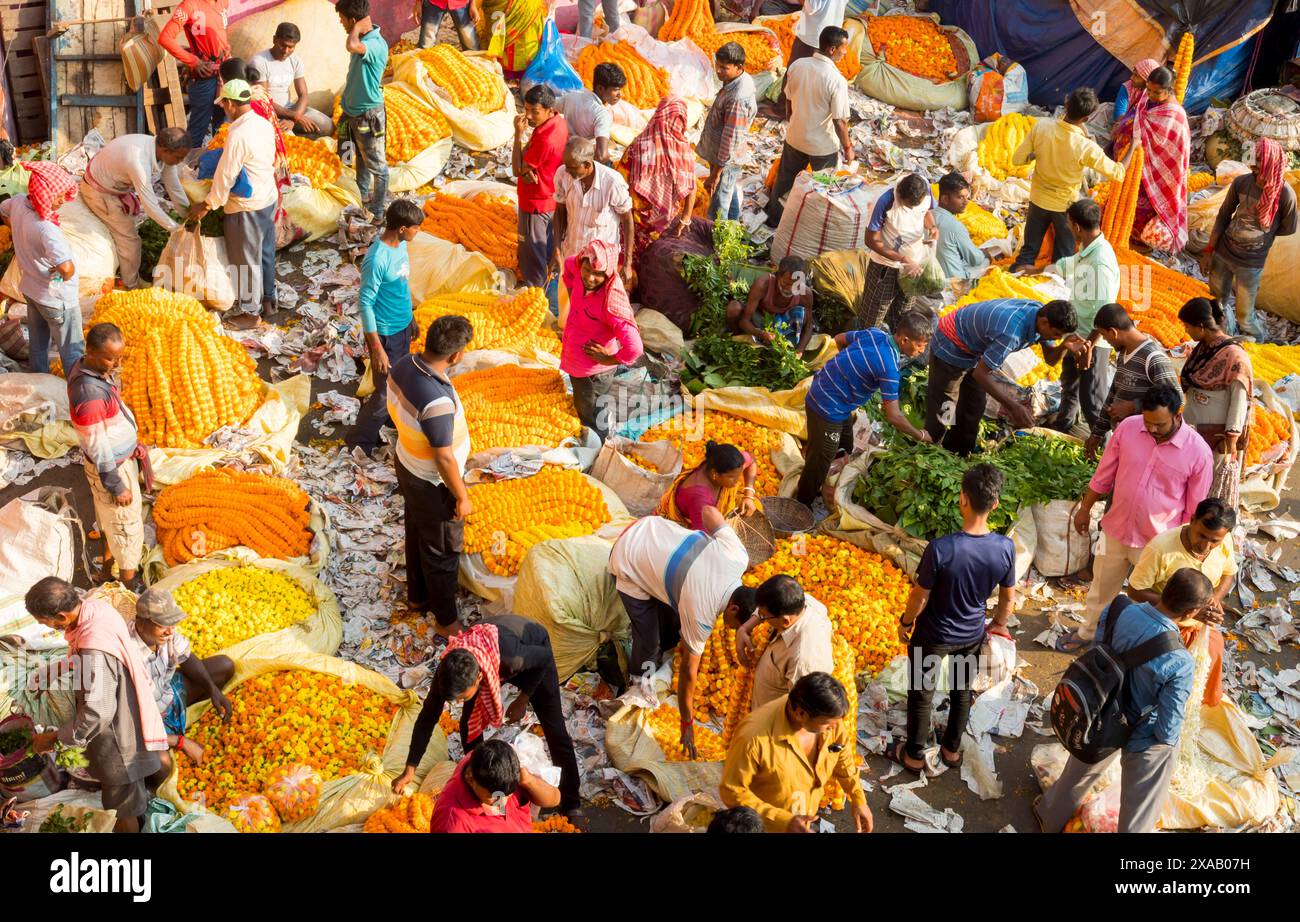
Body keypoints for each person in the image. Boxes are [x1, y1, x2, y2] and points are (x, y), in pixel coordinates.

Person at [1034, 571, 1205, 834]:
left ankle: (1048, 817)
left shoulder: (1120, 607)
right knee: (1140, 804)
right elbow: (1167, 728)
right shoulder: (1180, 661)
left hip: (1099, 711)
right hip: (1140, 732)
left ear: (1165, 589)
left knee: (1080, 768)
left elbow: (1099, 649)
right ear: (1192, 613)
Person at [393, 615, 585, 824]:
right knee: (469, 727)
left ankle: (572, 803)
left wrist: (523, 699)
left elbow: (545, 657)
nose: (458, 703)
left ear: (479, 679)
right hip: (490, 655)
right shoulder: (448, 673)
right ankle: (485, 784)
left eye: (462, 698)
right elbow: (427, 718)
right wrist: (409, 769)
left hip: (532, 652)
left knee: (555, 730)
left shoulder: (513, 658)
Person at [1065, 385, 1213, 649]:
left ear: (1178, 414)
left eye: (1160, 424)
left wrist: (1189, 555)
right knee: (1101, 588)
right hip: (1117, 528)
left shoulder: (1198, 452)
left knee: (1151, 602)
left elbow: (1194, 512)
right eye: (1148, 422)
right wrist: (1085, 508)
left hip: (1158, 543)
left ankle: (1130, 648)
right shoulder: (1129, 428)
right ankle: (1088, 635)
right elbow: (1104, 474)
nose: (1153, 429)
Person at [890, 464, 1016, 774]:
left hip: (933, 636)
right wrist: (998, 623)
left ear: (962, 499)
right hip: (970, 637)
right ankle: (951, 750)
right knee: (962, 691)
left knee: (922, 694)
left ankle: (915, 755)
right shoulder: (1005, 547)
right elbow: (1008, 597)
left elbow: (920, 596)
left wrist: (906, 622)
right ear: (995, 504)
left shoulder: (942, 549)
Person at [25, 577, 170, 833]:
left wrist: (55, 738)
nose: (43, 625)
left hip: (117, 734)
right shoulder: (96, 608)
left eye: (44, 621)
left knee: (121, 802)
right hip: (127, 704)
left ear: (61, 616)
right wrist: (57, 668)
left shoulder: (94, 647)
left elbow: (98, 711)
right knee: (129, 788)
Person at [609, 510, 758, 756]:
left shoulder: (738, 556)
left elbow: (709, 512)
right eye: (736, 625)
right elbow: (689, 672)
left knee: (671, 619)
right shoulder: (702, 613)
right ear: (733, 609)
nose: (732, 630)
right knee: (649, 640)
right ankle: (639, 681)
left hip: (651, 528)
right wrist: (687, 722)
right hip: (629, 555)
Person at [387, 315, 474, 626]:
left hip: (407, 463)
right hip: (431, 481)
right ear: (455, 355)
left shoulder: (404, 364)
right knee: (442, 551)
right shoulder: (436, 401)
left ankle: (417, 596)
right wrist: (461, 496)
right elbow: (445, 458)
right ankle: (446, 621)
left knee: (417, 530)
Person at [796, 311, 932, 506]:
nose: (921, 351)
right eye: (919, 346)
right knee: (820, 460)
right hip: (827, 407)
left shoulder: (874, 334)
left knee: (845, 445)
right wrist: (920, 435)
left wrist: (846, 370)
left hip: (827, 393)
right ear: (904, 339)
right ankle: (802, 504)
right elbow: (893, 415)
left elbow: (839, 339)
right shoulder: (889, 368)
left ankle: (823, 468)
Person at [925, 299, 1082, 456]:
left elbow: (1050, 359)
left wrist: (1063, 346)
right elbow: (980, 374)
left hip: (975, 348)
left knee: (974, 405)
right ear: (1044, 322)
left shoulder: (1041, 315)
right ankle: (931, 450)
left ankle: (958, 453)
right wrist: (1013, 407)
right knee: (946, 404)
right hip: (951, 340)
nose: (1056, 338)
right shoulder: (1011, 332)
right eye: (1056, 334)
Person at [720, 672, 872, 833]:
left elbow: (842, 756)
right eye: (827, 725)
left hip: (803, 820)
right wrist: (783, 821)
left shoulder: (830, 719)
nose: (835, 728)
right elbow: (731, 791)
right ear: (801, 714)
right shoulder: (753, 737)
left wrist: (858, 798)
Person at [1127, 499, 1237, 708]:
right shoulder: (1161, 548)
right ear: (1192, 521)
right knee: (1164, 684)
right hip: (1164, 624)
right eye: (1202, 535)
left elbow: (1228, 574)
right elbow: (1135, 589)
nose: (1205, 546)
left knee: (1211, 656)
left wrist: (1214, 599)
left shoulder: (1225, 541)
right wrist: (1187, 610)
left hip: (1199, 623)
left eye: (1214, 541)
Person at [187, 80, 278, 323]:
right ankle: (269, 302)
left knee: (245, 260)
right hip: (268, 197)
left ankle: (250, 312)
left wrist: (207, 205)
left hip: (246, 207)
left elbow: (225, 175)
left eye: (224, 104)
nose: (224, 109)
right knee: (265, 251)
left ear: (230, 104)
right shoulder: (263, 122)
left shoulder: (238, 133)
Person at [67, 324, 148, 591]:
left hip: (115, 462)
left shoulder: (90, 368)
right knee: (125, 526)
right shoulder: (88, 393)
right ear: (90, 351)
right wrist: (115, 483)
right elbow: (96, 442)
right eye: (111, 358)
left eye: (120, 357)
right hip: (112, 468)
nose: (116, 364)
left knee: (108, 521)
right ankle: (129, 585)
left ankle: (105, 569)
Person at [1010, 87, 1125, 270]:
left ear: (1066, 104)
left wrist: (1034, 154)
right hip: (1064, 208)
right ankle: (1053, 292)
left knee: (1028, 252)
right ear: (1086, 119)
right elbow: (1118, 173)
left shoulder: (1042, 127)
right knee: (1062, 259)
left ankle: (1010, 284)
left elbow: (1017, 160)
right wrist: (1133, 147)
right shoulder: (1086, 146)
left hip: (1038, 200)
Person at [344, 199, 424, 456]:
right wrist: (377, 348)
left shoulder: (400, 246)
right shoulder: (377, 258)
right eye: (416, 228)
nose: (418, 232)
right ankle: (358, 441)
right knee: (386, 392)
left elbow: (400, 285)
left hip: (401, 327)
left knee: (399, 384)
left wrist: (410, 316)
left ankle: (390, 424)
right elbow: (365, 303)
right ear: (402, 228)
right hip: (385, 334)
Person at [1201, 137, 1297, 342]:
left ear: (1272, 162)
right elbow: (1223, 217)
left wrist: (1260, 238)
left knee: (1245, 315)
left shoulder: (1286, 195)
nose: (1253, 164)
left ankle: (1256, 343)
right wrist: (1209, 251)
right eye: (1254, 158)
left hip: (1251, 263)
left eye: (1260, 160)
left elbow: (1287, 229)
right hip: (1224, 253)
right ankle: (1222, 339)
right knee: (1217, 303)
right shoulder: (1241, 183)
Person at [1044, 198, 1121, 435]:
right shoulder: (1088, 248)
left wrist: (1089, 345)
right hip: (1078, 333)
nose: (1067, 228)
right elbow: (1073, 263)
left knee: (1092, 399)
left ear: (1077, 227)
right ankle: (1064, 425)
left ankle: (1102, 447)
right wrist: (1042, 269)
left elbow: (1106, 311)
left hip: (1093, 340)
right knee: (1070, 384)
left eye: (1068, 224)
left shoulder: (1101, 262)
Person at [79, 129, 191, 291]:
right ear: (165, 150)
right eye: (179, 157)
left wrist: (188, 216)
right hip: (99, 193)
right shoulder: (138, 160)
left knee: (127, 233)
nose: (180, 161)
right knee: (130, 241)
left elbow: (174, 187)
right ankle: (131, 285)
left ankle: (129, 278)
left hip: (116, 188)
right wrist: (177, 229)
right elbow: (150, 206)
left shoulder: (160, 151)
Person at [130, 588, 234, 760]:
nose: (170, 631)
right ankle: (168, 737)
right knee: (160, 763)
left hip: (167, 695)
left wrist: (212, 689)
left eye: (172, 623)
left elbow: (186, 657)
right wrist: (181, 742)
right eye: (162, 624)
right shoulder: (128, 654)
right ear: (140, 623)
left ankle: (177, 718)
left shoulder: (166, 633)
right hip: (143, 721)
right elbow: (127, 722)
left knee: (224, 666)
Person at [765, 26, 852, 229]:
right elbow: (840, 121)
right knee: (822, 188)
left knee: (784, 181)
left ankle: (774, 220)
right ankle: (814, 227)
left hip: (795, 138)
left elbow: (788, 99)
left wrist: (793, 121)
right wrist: (848, 147)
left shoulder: (798, 65)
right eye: (843, 48)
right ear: (831, 49)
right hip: (822, 148)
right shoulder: (837, 80)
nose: (845, 53)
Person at [0, 162, 82, 373]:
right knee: (72, 349)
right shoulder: (46, 230)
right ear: (43, 195)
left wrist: (17, 232)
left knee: (38, 345)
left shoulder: (18, 203)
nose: (64, 200)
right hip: (56, 299)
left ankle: (40, 380)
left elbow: (2, 209)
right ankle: (78, 390)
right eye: (58, 196)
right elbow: (66, 268)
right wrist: (65, 271)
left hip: (31, 291)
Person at [559, 238, 643, 440]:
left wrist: (608, 358)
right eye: (587, 270)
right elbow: (569, 266)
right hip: (575, 362)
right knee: (583, 404)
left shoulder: (611, 301)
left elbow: (635, 347)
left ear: (608, 274)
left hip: (593, 373)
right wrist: (574, 296)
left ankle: (601, 441)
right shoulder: (577, 267)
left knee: (592, 412)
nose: (590, 278)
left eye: (598, 274)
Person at [552, 137, 635, 316]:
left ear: (588, 164)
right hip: (572, 253)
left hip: (599, 266)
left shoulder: (612, 182)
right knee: (571, 310)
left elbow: (628, 220)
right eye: (566, 165)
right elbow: (559, 212)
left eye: (572, 167)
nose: (567, 170)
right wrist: (557, 247)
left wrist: (627, 263)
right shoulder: (563, 174)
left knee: (597, 313)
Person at [1085, 302, 1180, 458]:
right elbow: (1113, 394)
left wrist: (1133, 407)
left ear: (1113, 332)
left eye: (1104, 336)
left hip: (1145, 444)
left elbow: (1176, 400)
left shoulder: (1153, 358)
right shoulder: (1123, 353)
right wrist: (1097, 433)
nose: (1106, 341)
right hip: (1124, 437)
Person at [1112, 66, 1190, 252]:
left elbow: (1173, 151)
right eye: (1149, 89)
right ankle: (1123, 237)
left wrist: (1144, 151)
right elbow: (1137, 118)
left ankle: (1140, 247)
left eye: (1157, 92)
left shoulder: (1175, 116)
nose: (1151, 94)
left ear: (1169, 90)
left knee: (1143, 212)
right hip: (1135, 164)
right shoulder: (1146, 99)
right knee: (1126, 203)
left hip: (1156, 174)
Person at [738, 575, 835, 711]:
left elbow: (803, 710)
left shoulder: (804, 659)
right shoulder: (799, 601)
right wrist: (745, 627)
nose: (763, 619)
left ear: (785, 621)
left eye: (764, 616)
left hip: (772, 722)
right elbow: (766, 605)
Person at [1178, 297, 1254, 461]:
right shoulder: (1202, 349)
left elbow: (1239, 399)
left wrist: (1231, 437)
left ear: (1201, 327)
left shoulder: (1234, 356)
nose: (1186, 331)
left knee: (1209, 481)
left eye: (1188, 326)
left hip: (1216, 438)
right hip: (1193, 429)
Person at [428, 739, 561, 832]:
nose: (501, 803)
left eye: (508, 795)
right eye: (494, 797)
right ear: (470, 779)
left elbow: (555, 798)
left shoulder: (503, 769)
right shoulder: (452, 824)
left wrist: (528, 780)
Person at [859, 172, 938, 329]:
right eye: (908, 205)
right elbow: (871, 240)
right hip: (885, 266)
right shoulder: (885, 201)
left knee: (904, 311)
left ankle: (897, 348)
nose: (911, 209)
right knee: (874, 314)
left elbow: (926, 211)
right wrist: (902, 259)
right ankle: (864, 346)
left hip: (914, 265)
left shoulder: (926, 189)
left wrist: (933, 227)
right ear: (900, 194)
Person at [622, 94, 696, 259]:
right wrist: (685, 218)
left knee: (634, 255)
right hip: (661, 220)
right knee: (653, 256)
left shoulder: (638, 144)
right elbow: (692, 186)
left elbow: (622, 176)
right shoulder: (684, 150)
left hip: (636, 217)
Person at [513, 84, 568, 292]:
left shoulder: (545, 139)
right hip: (550, 198)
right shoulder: (558, 122)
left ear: (548, 109)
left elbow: (517, 169)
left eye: (534, 111)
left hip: (535, 202)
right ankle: (549, 291)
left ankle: (537, 299)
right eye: (526, 109)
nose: (528, 116)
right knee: (547, 251)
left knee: (533, 257)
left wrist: (518, 135)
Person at [338, 0, 390, 220]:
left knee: (378, 166)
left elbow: (350, 46)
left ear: (352, 20)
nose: (341, 24)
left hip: (369, 116)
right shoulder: (364, 39)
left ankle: (378, 211)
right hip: (354, 114)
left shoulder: (375, 44)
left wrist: (357, 28)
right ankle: (362, 196)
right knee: (360, 158)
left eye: (342, 20)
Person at [158, 0, 232, 148]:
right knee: (198, 130)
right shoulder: (189, 5)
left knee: (223, 129)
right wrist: (193, 61)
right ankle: (187, 168)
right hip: (204, 78)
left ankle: (214, 168)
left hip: (224, 74)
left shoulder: (223, 2)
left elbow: (220, 34)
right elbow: (165, 38)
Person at [699, 42, 757, 223]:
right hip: (724, 156)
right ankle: (733, 226)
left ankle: (719, 243)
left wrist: (716, 173)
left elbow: (730, 139)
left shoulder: (737, 98)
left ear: (739, 67)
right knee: (727, 192)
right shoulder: (736, 80)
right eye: (717, 65)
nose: (718, 71)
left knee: (718, 206)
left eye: (724, 68)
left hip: (725, 159)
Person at [251, 22, 335, 137]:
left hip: (290, 110)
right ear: (274, 39)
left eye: (291, 47)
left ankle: (297, 138)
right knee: (286, 137)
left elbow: (303, 94)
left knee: (327, 126)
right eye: (282, 45)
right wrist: (295, 116)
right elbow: (263, 100)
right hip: (268, 112)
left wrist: (293, 119)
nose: (286, 51)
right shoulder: (260, 61)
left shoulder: (295, 61)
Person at [657, 440, 760, 530]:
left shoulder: (726, 464)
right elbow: (702, 539)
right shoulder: (700, 500)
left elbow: (752, 461)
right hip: (685, 523)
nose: (737, 481)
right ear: (715, 473)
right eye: (732, 477)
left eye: (738, 475)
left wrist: (748, 495)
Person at [725, 256, 813, 349]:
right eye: (786, 283)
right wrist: (761, 334)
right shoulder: (763, 284)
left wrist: (799, 351)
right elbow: (744, 321)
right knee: (733, 308)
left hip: (784, 327)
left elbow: (808, 327)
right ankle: (738, 341)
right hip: (759, 322)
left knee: (803, 315)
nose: (790, 289)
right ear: (778, 276)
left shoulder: (805, 294)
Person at [557, 63, 623, 166]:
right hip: (580, 158)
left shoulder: (574, 94)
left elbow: (549, 105)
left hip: (565, 149)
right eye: (615, 90)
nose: (620, 95)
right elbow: (601, 156)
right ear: (600, 88)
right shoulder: (601, 114)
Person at [933, 172, 991, 282]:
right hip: (950, 283)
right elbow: (975, 259)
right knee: (985, 261)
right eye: (960, 197)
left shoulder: (928, 215)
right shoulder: (955, 226)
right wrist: (984, 253)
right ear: (945, 199)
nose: (966, 202)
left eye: (967, 197)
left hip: (928, 275)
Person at [1111, 58, 1159, 127]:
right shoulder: (1127, 87)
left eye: (1136, 76)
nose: (1131, 78)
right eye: (1133, 74)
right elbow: (1118, 114)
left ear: (1146, 81)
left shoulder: (1154, 97)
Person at [416, 0, 482, 50]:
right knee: (426, 44)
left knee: (471, 44)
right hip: (434, 3)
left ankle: (473, 66)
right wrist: (418, 2)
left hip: (461, 3)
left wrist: (473, 4)